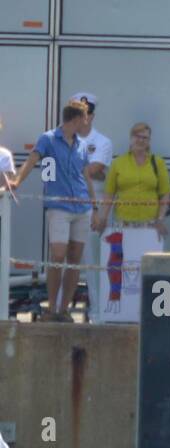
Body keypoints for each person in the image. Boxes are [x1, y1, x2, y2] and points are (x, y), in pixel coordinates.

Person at [12, 99, 95, 322]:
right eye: (85, 118)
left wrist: (94, 205)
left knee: (75, 259)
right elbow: (32, 161)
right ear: (77, 119)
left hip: (82, 207)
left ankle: (62, 309)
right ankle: (51, 307)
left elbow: (86, 176)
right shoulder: (47, 139)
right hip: (58, 206)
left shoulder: (82, 145)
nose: (86, 123)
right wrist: (17, 181)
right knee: (58, 255)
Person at [94, 122, 170, 241]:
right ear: (131, 138)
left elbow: (165, 194)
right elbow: (109, 195)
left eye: (144, 137)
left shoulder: (158, 163)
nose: (140, 140)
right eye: (137, 136)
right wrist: (103, 219)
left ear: (149, 141)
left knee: (147, 259)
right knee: (124, 259)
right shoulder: (118, 163)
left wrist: (160, 219)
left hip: (151, 225)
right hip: (123, 224)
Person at [72, 93, 111, 184]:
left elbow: (93, 170)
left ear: (92, 116)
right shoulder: (60, 140)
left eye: (87, 112)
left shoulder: (103, 142)